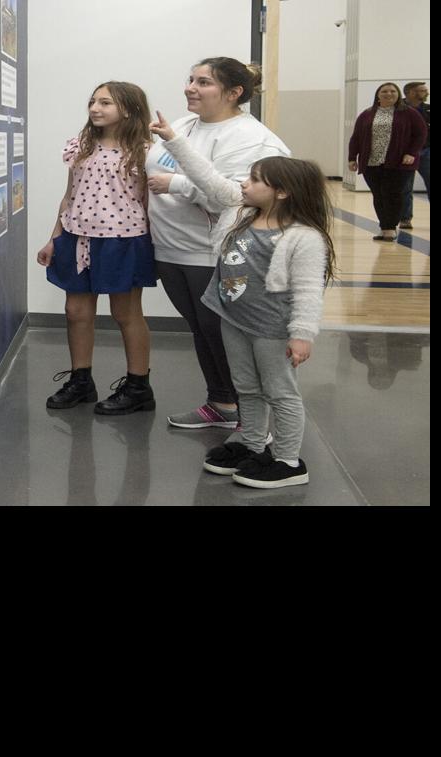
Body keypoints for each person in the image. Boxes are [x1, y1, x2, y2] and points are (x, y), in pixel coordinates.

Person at [151, 110, 334, 489]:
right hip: (234, 319)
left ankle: (286, 460)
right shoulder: (243, 211)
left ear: (281, 192)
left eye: (254, 180)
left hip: (272, 328)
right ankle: (252, 442)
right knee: (246, 387)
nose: (244, 184)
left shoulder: (303, 238)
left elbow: (308, 292)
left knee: (280, 392)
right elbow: (208, 178)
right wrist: (173, 139)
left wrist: (302, 335)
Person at [145, 57, 290, 430]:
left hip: (213, 254)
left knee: (224, 336)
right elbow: (157, 169)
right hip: (171, 247)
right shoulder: (183, 124)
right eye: (191, 79)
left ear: (234, 92)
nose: (190, 88)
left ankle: (250, 421)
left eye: (203, 82)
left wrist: (176, 182)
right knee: (200, 329)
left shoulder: (250, 137)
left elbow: (232, 196)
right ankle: (222, 403)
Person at [36, 81, 159, 414]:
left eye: (105, 103)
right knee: (75, 312)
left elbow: (150, 203)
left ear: (130, 109)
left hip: (125, 239)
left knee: (126, 313)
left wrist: (154, 247)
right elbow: (70, 195)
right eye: (92, 101)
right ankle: (81, 381)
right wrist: (55, 237)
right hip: (77, 236)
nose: (95, 108)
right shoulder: (81, 146)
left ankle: (138, 386)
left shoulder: (146, 151)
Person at [347, 82, 427, 240]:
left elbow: (421, 134)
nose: (389, 94)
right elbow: (356, 137)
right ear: (378, 94)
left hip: (399, 162)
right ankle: (384, 227)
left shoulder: (409, 113)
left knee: (393, 193)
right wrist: (352, 158)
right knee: (379, 194)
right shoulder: (367, 114)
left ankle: (390, 228)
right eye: (385, 91)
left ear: (398, 94)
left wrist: (411, 153)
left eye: (393, 91)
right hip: (372, 161)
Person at [402, 81, 430, 229]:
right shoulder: (398, 108)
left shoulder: (428, 109)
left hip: (426, 151)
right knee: (406, 187)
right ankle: (405, 218)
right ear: (411, 92)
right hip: (405, 153)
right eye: (423, 90)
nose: (426, 93)